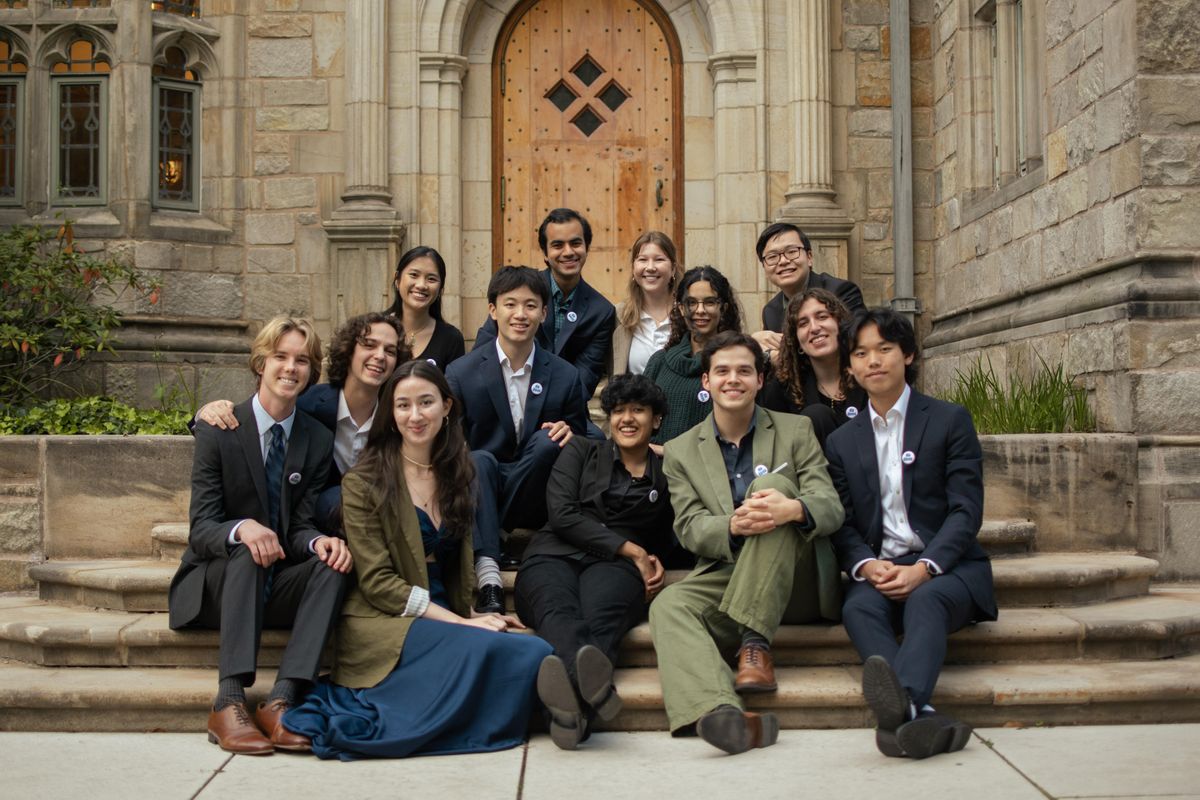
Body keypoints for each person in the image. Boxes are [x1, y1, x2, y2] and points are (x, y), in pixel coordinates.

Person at [282, 361, 552, 760]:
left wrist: (470, 614)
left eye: (425, 403)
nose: (415, 415)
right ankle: (571, 707)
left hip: (440, 607)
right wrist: (462, 624)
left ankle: (567, 713)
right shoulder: (362, 482)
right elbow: (377, 584)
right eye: (403, 405)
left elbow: (456, 566)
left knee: (537, 648)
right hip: (382, 618)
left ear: (446, 406)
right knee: (527, 653)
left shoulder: (459, 475)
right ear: (390, 414)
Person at [649, 331, 844, 755]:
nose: (732, 379)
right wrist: (734, 526)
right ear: (706, 383)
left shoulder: (796, 429)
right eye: (721, 371)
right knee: (668, 605)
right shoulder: (681, 451)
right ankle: (723, 712)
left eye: (743, 371)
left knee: (772, 486)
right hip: (730, 575)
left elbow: (830, 505)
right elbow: (689, 527)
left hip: (798, 580)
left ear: (760, 379)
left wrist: (789, 510)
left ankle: (754, 643)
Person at [168, 316, 353, 755]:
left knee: (336, 562)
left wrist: (316, 543)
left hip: (277, 581)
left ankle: (283, 698)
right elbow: (202, 531)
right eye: (281, 357)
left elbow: (300, 526)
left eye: (302, 361)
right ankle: (228, 700)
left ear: (312, 371)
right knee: (249, 549)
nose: (291, 368)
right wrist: (242, 528)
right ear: (260, 362)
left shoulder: (316, 438)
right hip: (216, 586)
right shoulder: (219, 428)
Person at [825, 308, 997, 760]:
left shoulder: (948, 420)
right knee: (858, 608)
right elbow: (841, 522)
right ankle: (919, 716)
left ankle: (903, 703)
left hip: (949, 569)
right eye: (860, 353)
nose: (873, 361)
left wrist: (925, 567)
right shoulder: (842, 441)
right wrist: (866, 563)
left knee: (927, 599)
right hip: (881, 568)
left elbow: (966, 511)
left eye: (884, 349)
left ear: (908, 354)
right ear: (850, 366)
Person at [514, 374, 675, 750]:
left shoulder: (667, 473)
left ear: (656, 420)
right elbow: (563, 514)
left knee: (601, 620)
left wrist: (658, 557)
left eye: (638, 410)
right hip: (553, 553)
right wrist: (633, 550)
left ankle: (570, 715)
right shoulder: (580, 451)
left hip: (614, 569)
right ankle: (596, 698)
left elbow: (678, 528)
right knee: (558, 612)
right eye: (618, 411)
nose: (627, 418)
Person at [447, 266, 590, 614]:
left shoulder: (565, 375)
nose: (520, 314)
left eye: (530, 305)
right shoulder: (460, 373)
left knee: (548, 442)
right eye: (511, 304)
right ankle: (489, 577)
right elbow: (449, 443)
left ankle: (493, 529)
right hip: (481, 485)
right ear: (493, 310)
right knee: (478, 458)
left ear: (543, 313)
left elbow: (584, 437)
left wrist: (571, 436)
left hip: (536, 493)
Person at [192, 312, 408, 533]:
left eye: (390, 351)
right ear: (349, 350)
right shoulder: (310, 403)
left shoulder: (401, 414)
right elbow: (263, 413)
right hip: (320, 520)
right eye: (369, 345)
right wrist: (204, 413)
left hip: (378, 513)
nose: (380, 356)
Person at [473, 208, 616, 402]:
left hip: (563, 411)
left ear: (586, 248)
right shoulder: (519, 291)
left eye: (575, 243)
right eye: (558, 245)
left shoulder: (601, 311)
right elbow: (483, 351)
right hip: (506, 399)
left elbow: (585, 379)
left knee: (595, 435)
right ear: (546, 254)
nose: (568, 252)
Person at [643, 266, 743, 444]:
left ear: (724, 308)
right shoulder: (659, 362)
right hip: (658, 468)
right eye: (692, 303)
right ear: (681, 308)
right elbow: (642, 418)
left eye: (710, 302)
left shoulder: (739, 365)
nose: (700, 310)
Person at [759, 288, 867, 447]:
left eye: (822, 317)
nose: (814, 328)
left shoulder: (868, 375)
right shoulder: (783, 388)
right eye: (803, 323)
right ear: (796, 340)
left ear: (840, 323)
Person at [751, 222, 865, 366]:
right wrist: (756, 342)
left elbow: (855, 342)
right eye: (772, 257)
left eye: (792, 251)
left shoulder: (841, 291)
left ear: (809, 257)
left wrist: (777, 354)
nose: (783, 261)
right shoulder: (771, 311)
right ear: (764, 268)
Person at [613, 231, 683, 375]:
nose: (650, 267)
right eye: (643, 260)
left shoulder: (688, 313)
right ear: (633, 268)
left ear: (673, 269)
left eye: (659, 259)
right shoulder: (619, 315)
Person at [386, 245, 466, 371]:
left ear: (441, 289)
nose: (421, 285)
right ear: (397, 279)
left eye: (431, 279)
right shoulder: (374, 327)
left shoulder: (451, 339)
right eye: (414, 275)